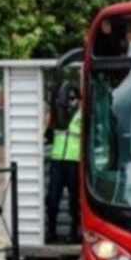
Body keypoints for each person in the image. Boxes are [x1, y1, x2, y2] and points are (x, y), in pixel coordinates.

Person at [46, 82, 81, 244]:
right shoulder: (59, 110)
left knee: (75, 199)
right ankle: (51, 230)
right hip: (58, 159)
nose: (71, 100)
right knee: (52, 198)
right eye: (69, 97)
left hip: (75, 160)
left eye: (74, 97)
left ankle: (74, 231)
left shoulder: (83, 111)